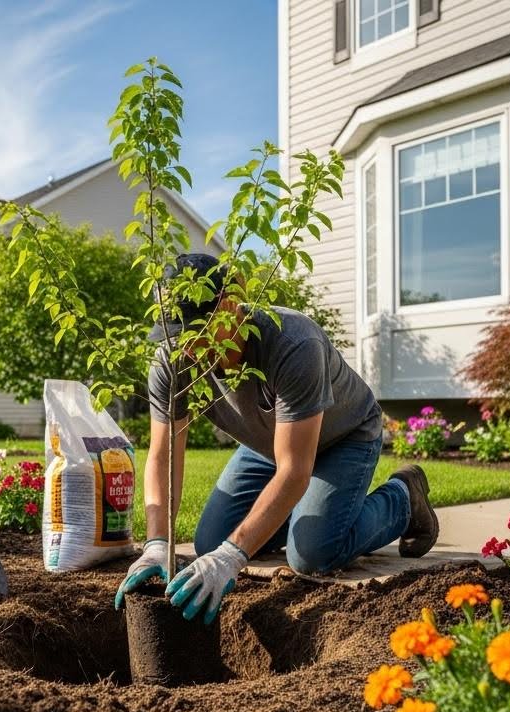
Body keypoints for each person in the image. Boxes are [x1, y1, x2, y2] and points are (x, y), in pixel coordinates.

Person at [113, 253, 438, 624]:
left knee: (311, 554)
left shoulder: (293, 342)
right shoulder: (172, 359)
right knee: (210, 543)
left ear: (229, 305)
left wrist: (232, 556)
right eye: (176, 334)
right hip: (268, 446)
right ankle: (306, 514)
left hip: (344, 438)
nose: (187, 348)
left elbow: (295, 470)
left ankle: (402, 499)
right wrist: (157, 544)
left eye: (196, 331)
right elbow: (162, 456)